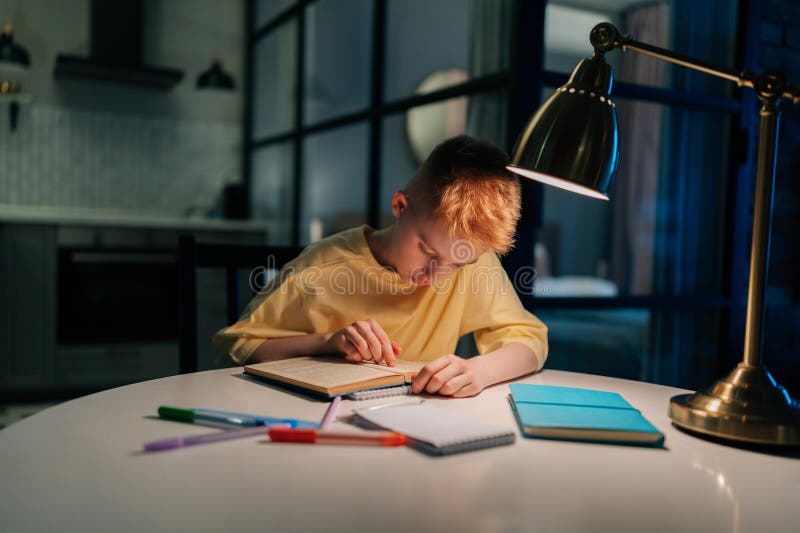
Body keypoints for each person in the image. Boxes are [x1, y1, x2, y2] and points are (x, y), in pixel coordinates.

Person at [214, 135, 547, 397]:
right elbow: (235, 349)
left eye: (459, 263)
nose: (438, 275)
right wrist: (326, 342)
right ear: (400, 205)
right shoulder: (324, 267)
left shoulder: (472, 263)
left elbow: (530, 341)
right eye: (427, 251)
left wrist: (480, 371)